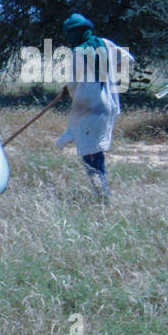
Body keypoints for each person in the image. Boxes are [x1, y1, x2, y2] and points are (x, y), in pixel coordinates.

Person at [56, 13, 123, 203]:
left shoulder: (78, 52)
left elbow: (74, 85)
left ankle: (103, 197)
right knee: (96, 151)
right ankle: (102, 195)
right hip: (108, 105)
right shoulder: (106, 44)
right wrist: (110, 76)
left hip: (90, 109)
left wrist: (67, 90)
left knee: (91, 155)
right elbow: (128, 60)